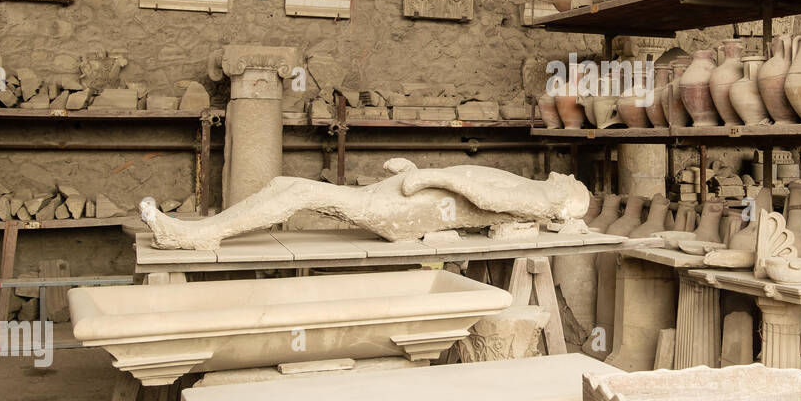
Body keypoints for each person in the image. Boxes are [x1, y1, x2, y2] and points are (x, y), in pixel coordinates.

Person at [141, 158, 589, 250]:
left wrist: (429, 176)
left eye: (572, 183)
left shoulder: (537, 197)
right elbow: (474, 192)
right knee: (284, 181)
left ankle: (200, 234)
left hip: (408, 212)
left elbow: (484, 196)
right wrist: (417, 171)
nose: (568, 175)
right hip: (412, 198)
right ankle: (204, 229)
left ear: (564, 200)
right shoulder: (534, 189)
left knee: (300, 193)